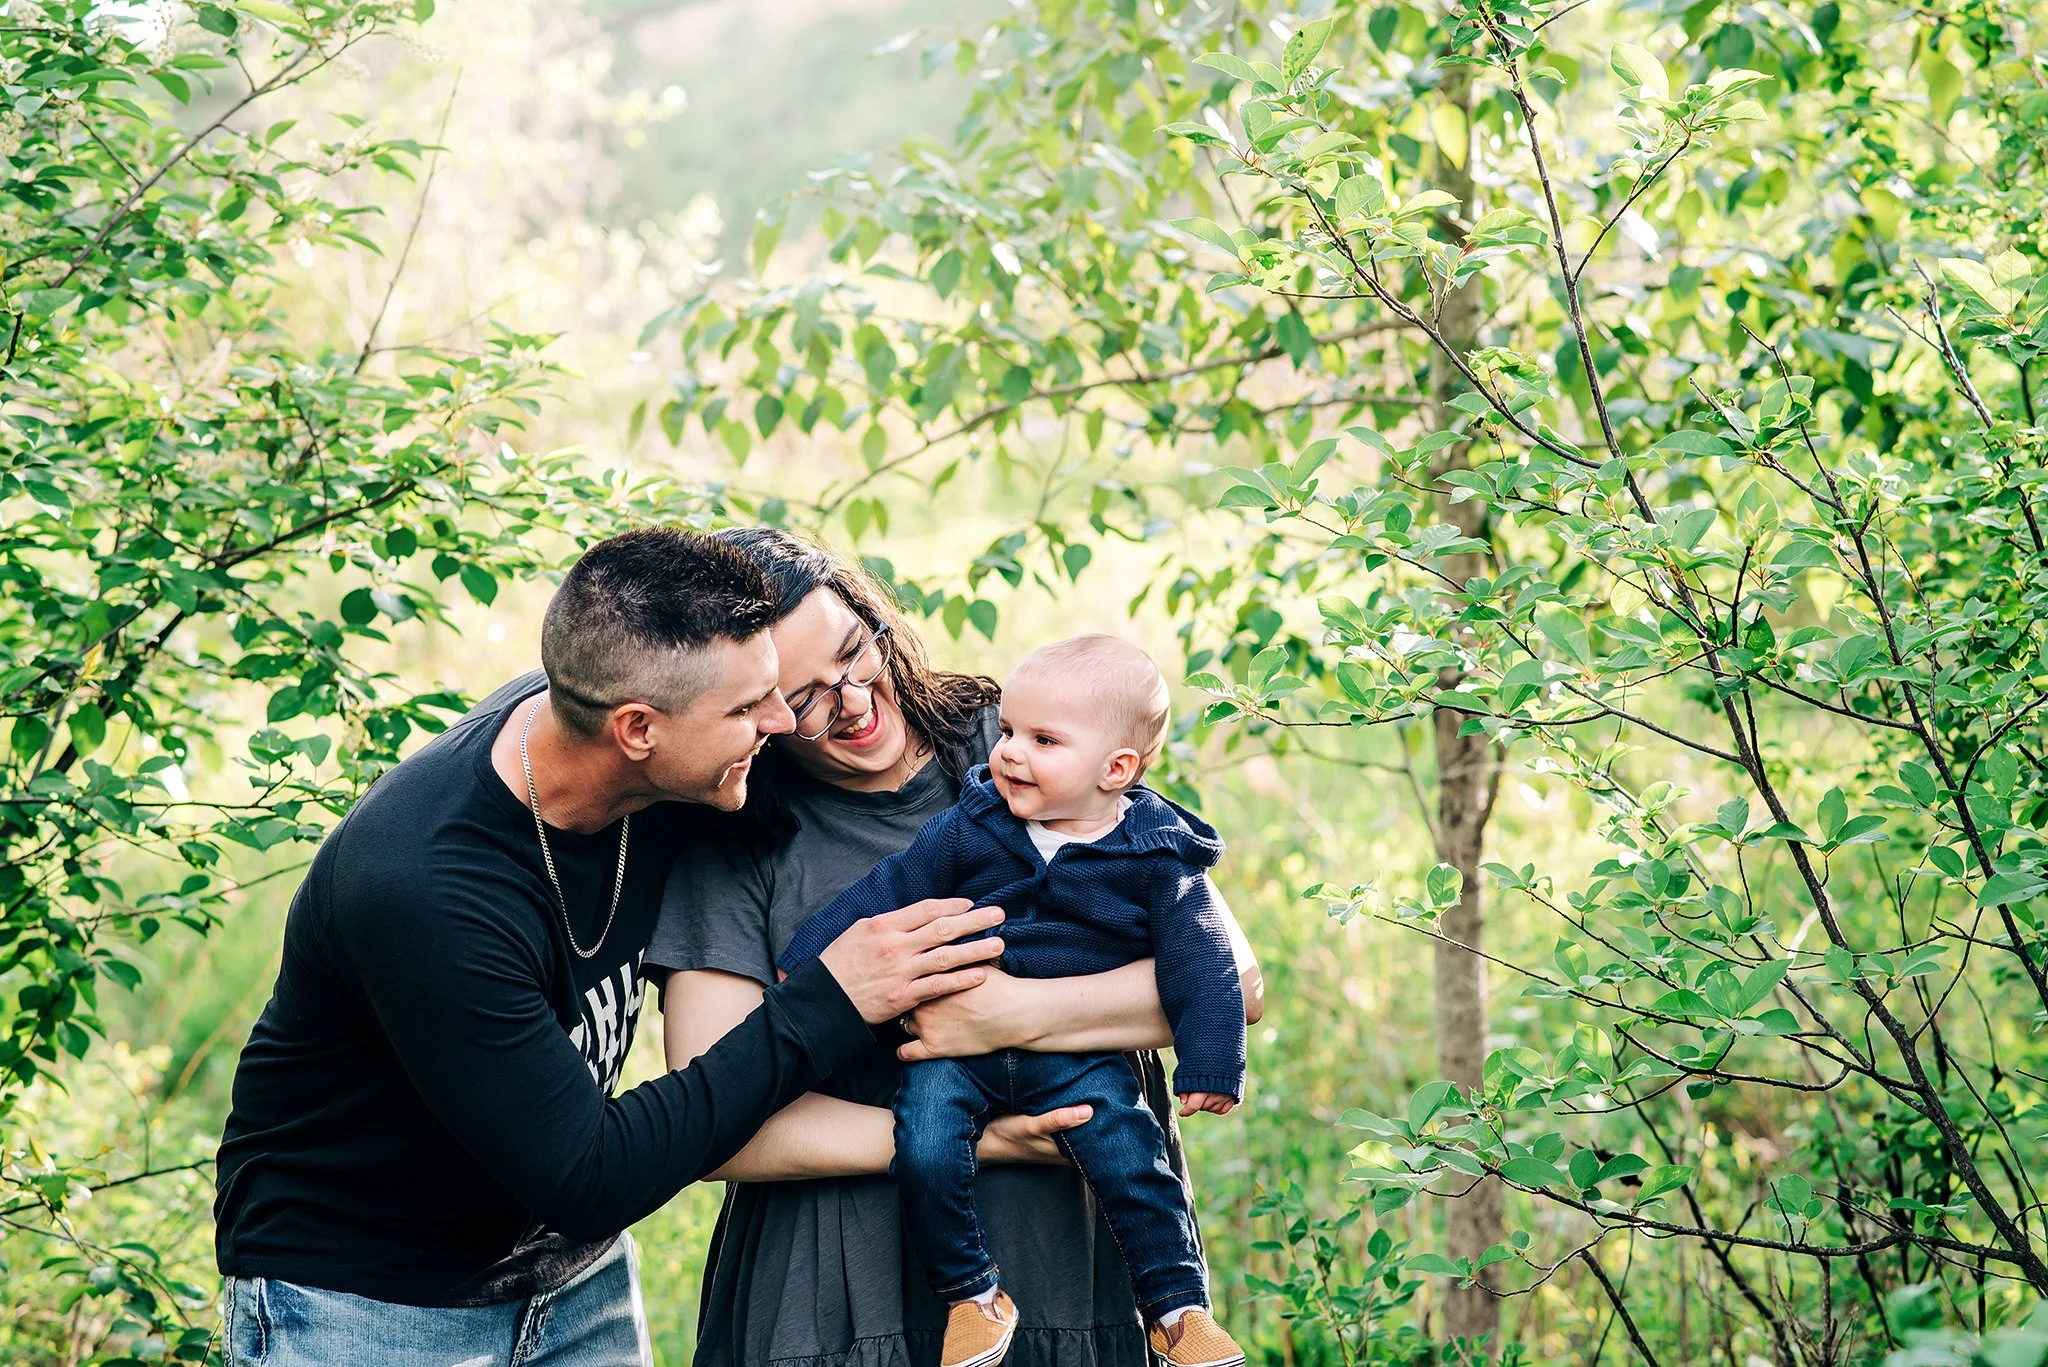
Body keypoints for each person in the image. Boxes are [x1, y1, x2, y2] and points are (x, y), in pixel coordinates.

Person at [213, 529, 1010, 1367]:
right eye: (750, 710)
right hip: (364, 1303)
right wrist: (832, 997)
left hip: (572, 1282)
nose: (779, 724)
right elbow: (589, 1176)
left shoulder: (647, 731)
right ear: (637, 729)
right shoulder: (426, 888)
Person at [654, 528, 1266, 1367]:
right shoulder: (733, 830)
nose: (854, 701)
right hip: (836, 1284)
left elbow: (1233, 978)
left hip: (1068, 1255)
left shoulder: (1018, 741)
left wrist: (1011, 1013)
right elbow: (713, 1123)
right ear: (751, 709)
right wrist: (982, 1138)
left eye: (854, 653)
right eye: (805, 697)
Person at [777, 634, 1247, 1367]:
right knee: (924, 1146)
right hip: (955, 1054)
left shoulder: (1158, 854)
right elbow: (891, 886)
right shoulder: (976, 821)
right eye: (1009, 732)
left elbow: (1205, 960)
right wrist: (809, 963)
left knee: (1130, 1153)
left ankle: (1177, 1308)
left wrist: (1211, 1063)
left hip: (1075, 1055)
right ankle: (973, 1296)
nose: (1009, 754)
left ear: (1116, 768)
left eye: (1043, 741)